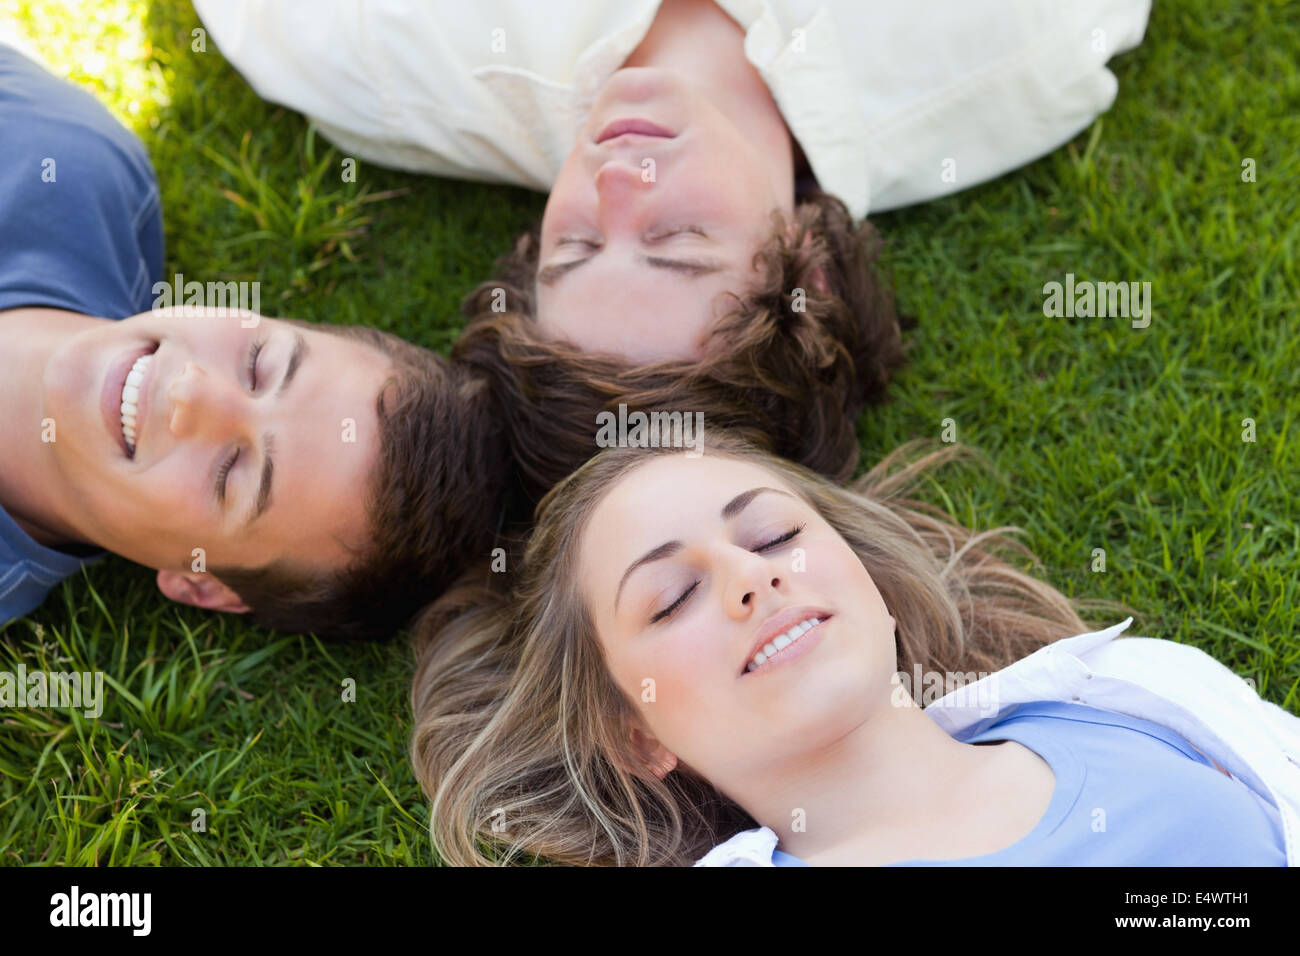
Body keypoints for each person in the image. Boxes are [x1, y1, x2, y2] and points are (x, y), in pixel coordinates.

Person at [194, 0, 1150, 500]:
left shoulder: (382, 61)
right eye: (678, 242)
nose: (615, 179)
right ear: (808, 270)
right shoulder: (1016, 46)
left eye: (573, 244)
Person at [408, 434, 1300, 866]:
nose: (748, 581)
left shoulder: (1123, 698)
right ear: (638, 735)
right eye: (672, 598)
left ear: (864, 579)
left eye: (769, 535)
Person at [0, 40, 509, 639]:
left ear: (200, 583)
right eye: (260, 364)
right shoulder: (70, 164)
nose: (192, 393)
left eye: (230, 473)